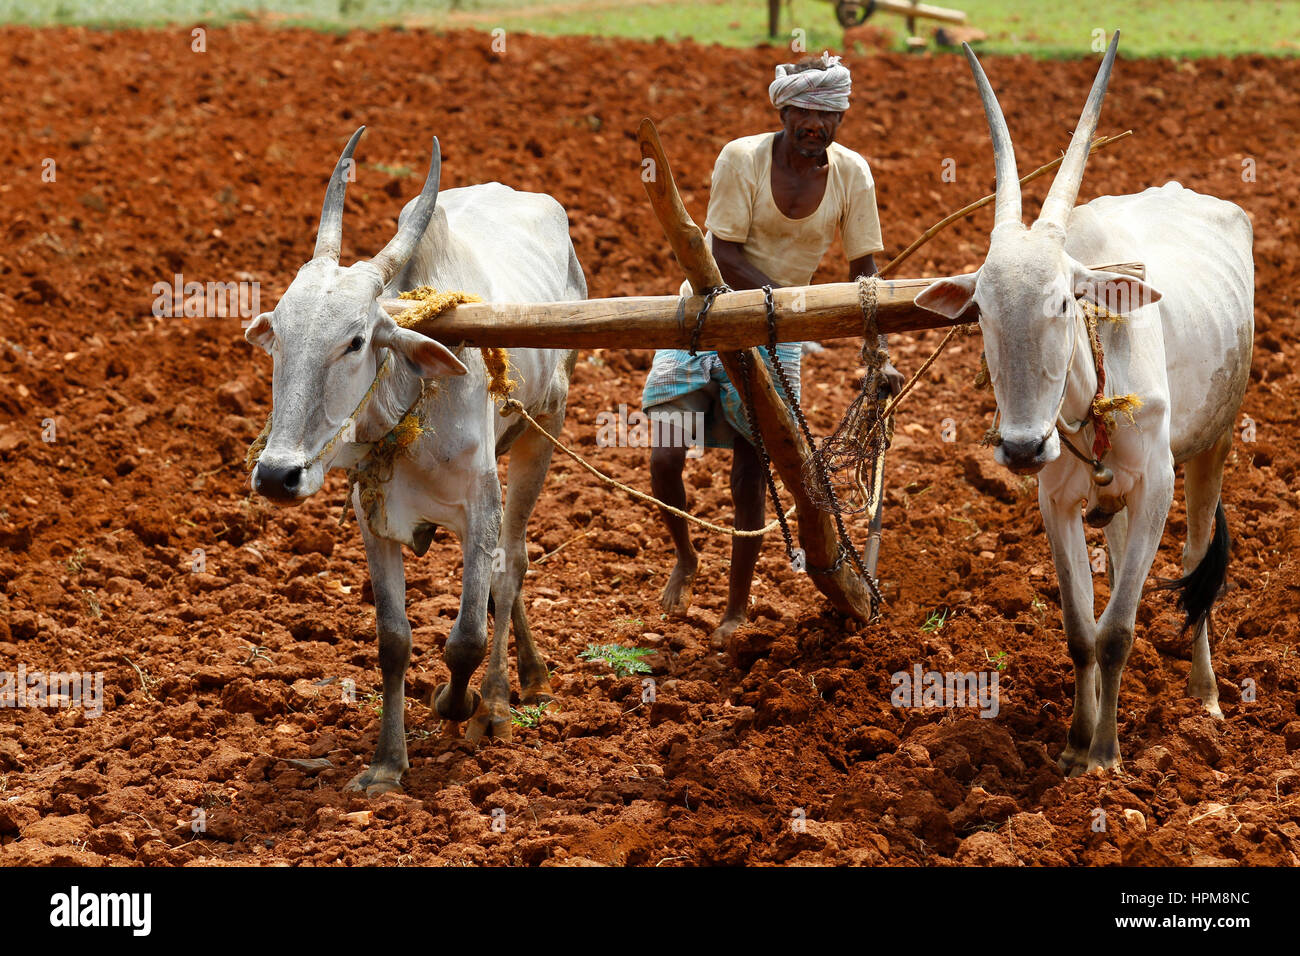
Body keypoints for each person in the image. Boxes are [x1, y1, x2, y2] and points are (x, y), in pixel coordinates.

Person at [642, 51, 902, 646]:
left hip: (779, 334)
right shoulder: (742, 158)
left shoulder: (852, 174)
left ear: (839, 118)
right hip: (705, 308)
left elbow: (866, 271)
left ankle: (736, 608)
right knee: (664, 454)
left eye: (827, 114)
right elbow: (723, 255)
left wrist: (876, 351)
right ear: (783, 111)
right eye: (804, 112)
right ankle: (685, 556)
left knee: (751, 473)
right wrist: (785, 303)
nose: (815, 123)